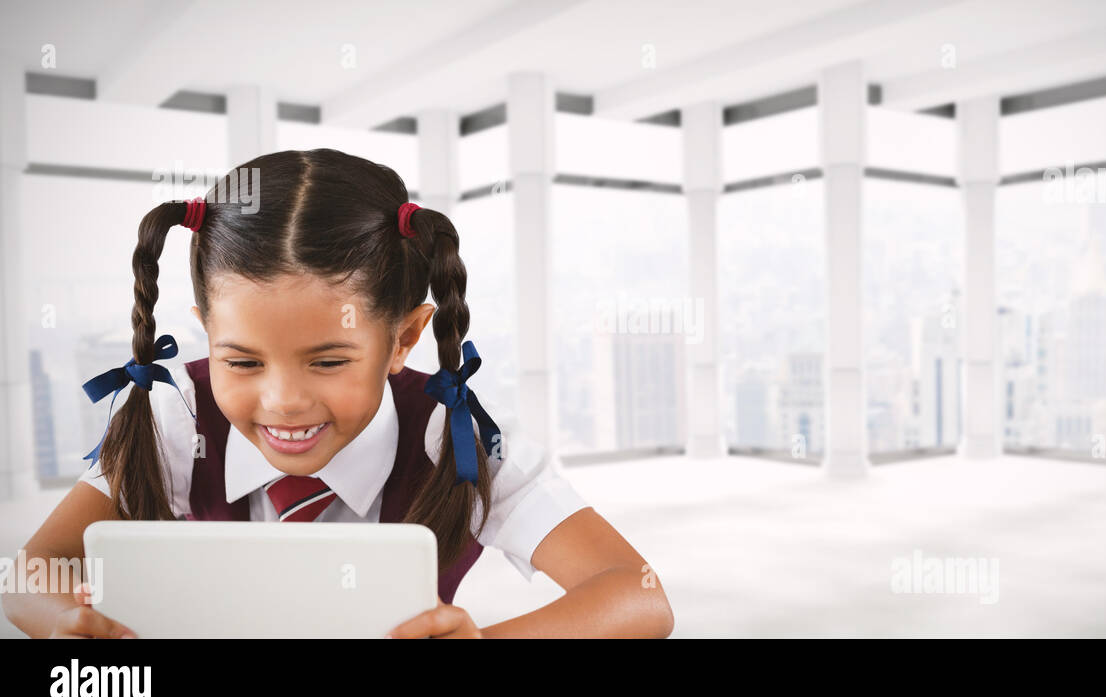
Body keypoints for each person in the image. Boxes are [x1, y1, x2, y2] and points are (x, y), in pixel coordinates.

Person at [1, 148, 673, 639]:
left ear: (405, 337)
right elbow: (27, 573)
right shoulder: (176, 416)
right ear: (206, 330)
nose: (284, 401)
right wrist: (74, 619)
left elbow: (638, 597)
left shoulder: (460, 442)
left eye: (327, 360)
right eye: (242, 360)